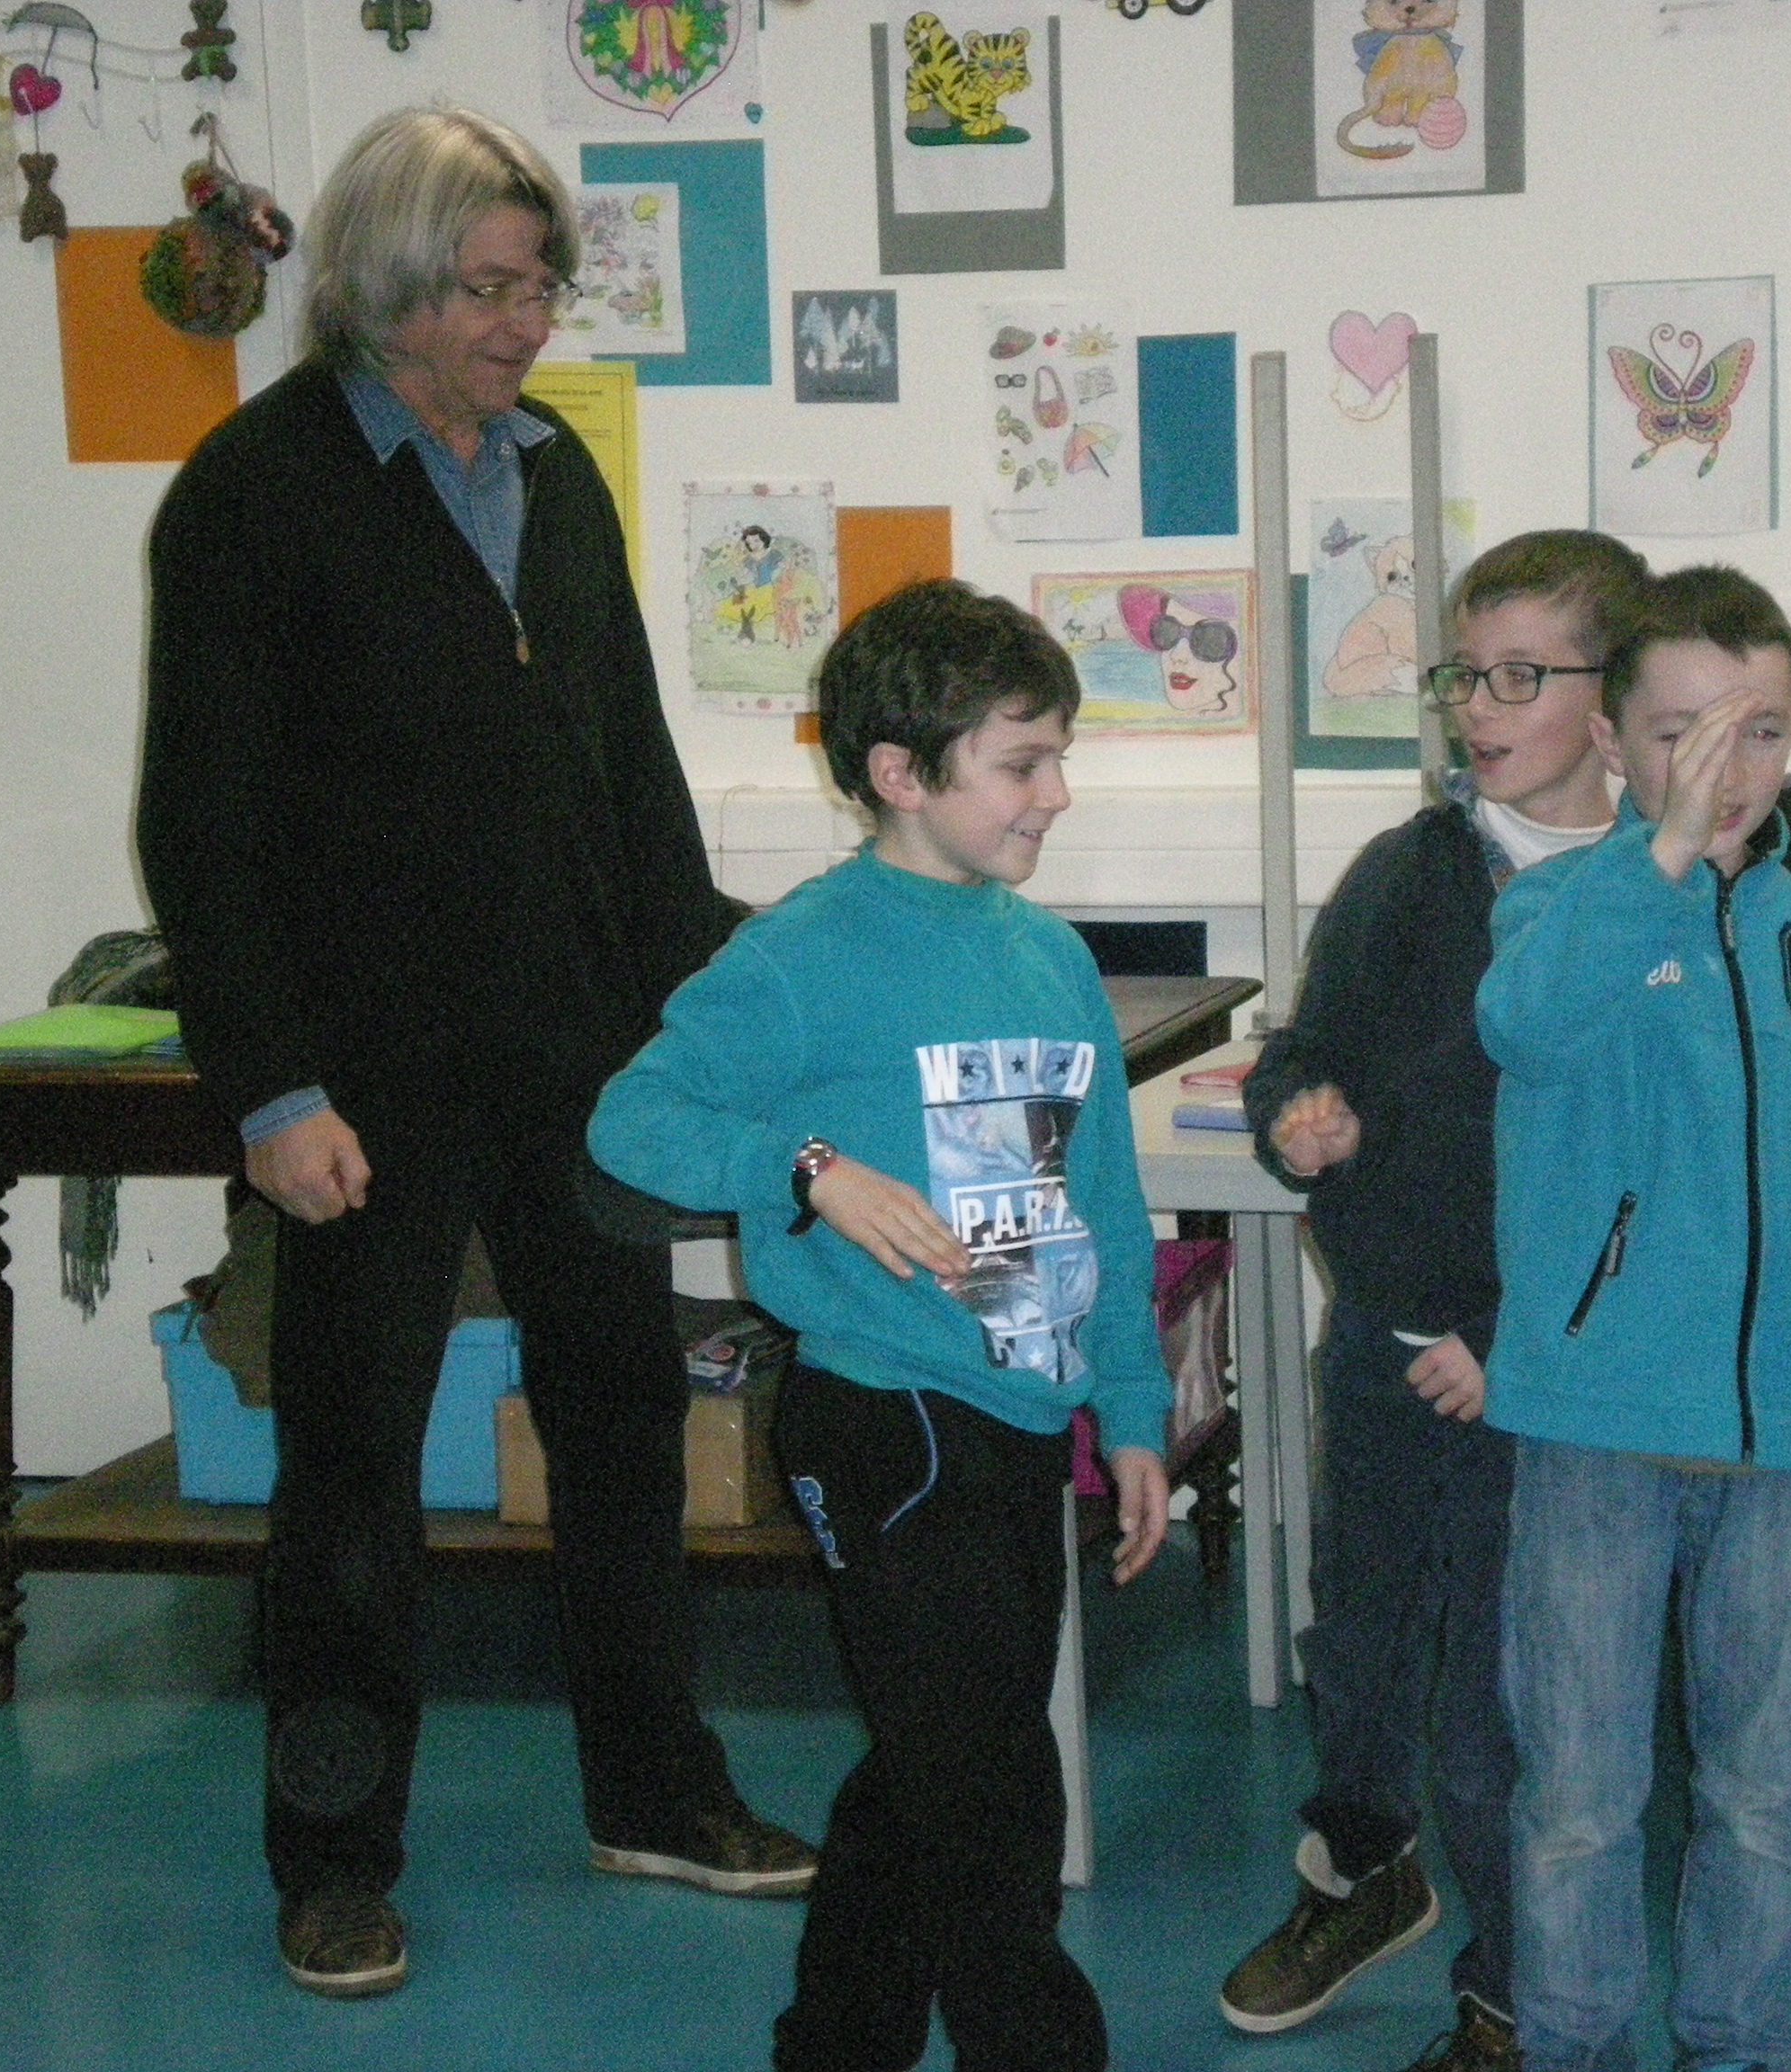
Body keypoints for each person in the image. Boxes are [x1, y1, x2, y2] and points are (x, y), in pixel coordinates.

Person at [135, 104, 813, 2003]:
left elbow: (635, 789)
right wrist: (269, 1088)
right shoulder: (255, 495)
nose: (528, 324)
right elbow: (202, 825)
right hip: (366, 1072)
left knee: (621, 1423)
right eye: (491, 289)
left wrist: (735, 1010)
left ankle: (657, 1790)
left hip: (579, 1053)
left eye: (540, 286)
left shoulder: (553, 478)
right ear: (385, 284)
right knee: (352, 1475)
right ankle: (334, 1864)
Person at [588, 580, 1174, 2072]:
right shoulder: (808, 953)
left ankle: (833, 2044)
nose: (1056, 793)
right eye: (1020, 763)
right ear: (901, 775)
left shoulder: (1044, 957)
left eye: (1057, 757)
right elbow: (633, 1119)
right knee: (991, 1788)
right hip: (881, 1419)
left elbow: (1098, 1207)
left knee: (932, 1768)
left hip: (1020, 1420)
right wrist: (806, 1170)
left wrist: (1138, 1415)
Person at [1473, 566, 1791, 2072]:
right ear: (1616, 743)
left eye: (1759, 733)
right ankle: (1570, 2045)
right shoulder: (1564, 902)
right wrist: (1667, 859)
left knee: (1764, 1790)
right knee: (1578, 1797)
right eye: (1684, 733)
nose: (1725, 769)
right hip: (1598, 1426)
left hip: (1779, 1439)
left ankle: (1737, 2045)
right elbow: (1528, 1024)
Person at [1217, 531, 1646, 2072]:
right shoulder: (1411, 870)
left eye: (1522, 676)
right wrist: (1302, 1109)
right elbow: (1302, 1047)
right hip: (1390, 1348)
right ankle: (1363, 1873)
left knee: (1497, 1723)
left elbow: (1644, 1179)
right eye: (1468, 673)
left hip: (1544, 1373)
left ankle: (1514, 1996)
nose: (1480, 706)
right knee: (1363, 1647)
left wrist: (1519, 1338)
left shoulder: (1654, 892)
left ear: (1615, 700)